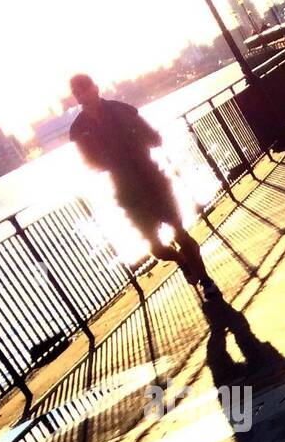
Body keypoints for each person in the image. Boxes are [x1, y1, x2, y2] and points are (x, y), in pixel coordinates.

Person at [68, 74, 219, 300]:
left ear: (96, 88)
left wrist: (141, 144)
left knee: (180, 233)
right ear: (76, 97)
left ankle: (207, 281)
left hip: (154, 181)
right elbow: (88, 163)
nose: (84, 95)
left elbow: (153, 137)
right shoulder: (78, 130)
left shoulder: (122, 110)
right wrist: (111, 161)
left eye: (86, 89)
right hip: (127, 193)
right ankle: (182, 261)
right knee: (155, 248)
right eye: (78, 92)